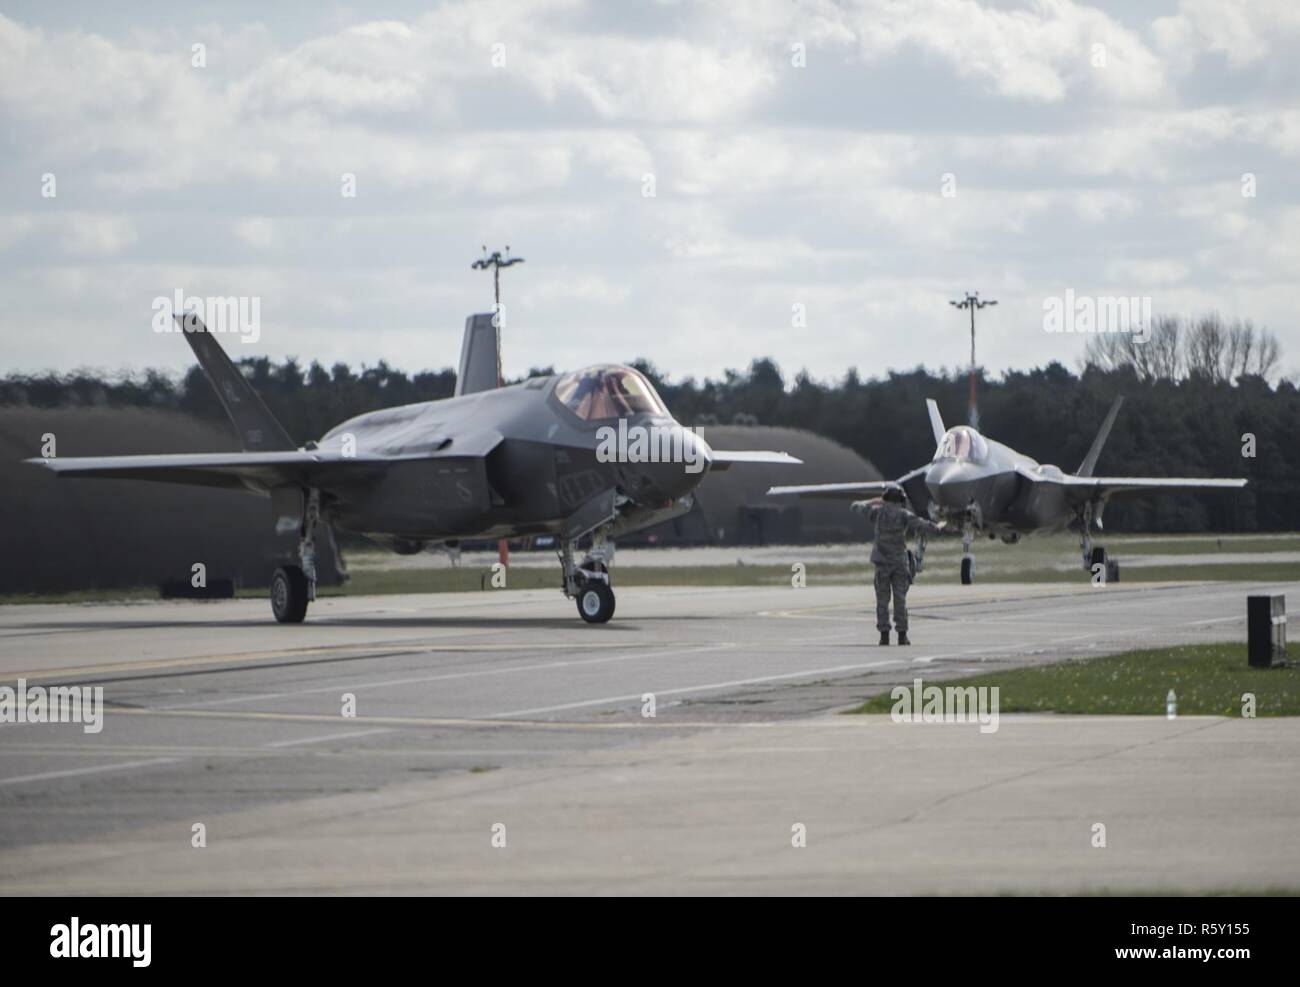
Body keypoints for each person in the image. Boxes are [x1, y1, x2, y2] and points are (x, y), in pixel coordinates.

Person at [851, 486, 941, 646]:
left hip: (882, 563)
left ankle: (884, 635)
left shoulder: (877, 513)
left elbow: (856, 506)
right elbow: (923, 525)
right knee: (900, 599)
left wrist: (875, 501)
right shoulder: (903, 515)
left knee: (882, 600)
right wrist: (938, 527)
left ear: (885, 498)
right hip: (899, 563)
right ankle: (902, 635)